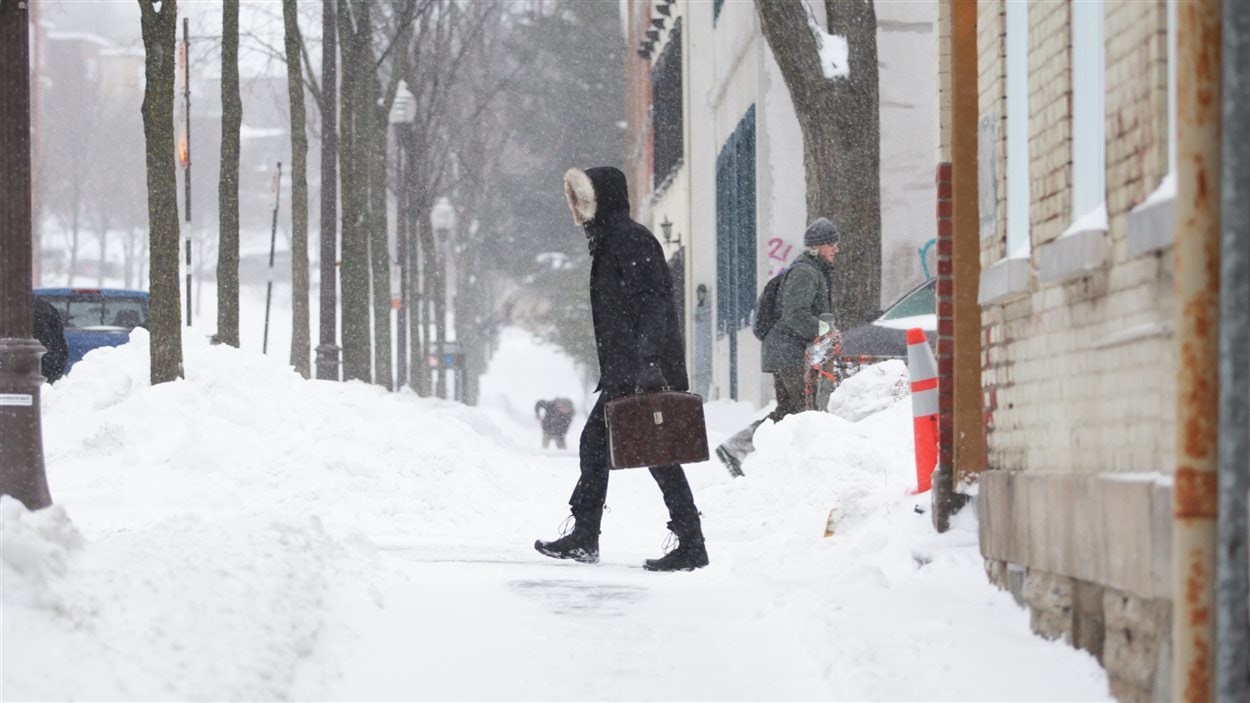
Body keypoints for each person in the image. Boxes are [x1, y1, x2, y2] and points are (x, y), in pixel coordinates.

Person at [534, 165, 708, 572]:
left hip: (640, 369)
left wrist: (648, 363)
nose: (579, 210)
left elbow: (652, 307)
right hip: (625, 368)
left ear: (602, 199)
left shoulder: (630, 241)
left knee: (654, 452)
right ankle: (590, 536)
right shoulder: (611, 241)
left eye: (584, 200)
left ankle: (686, 541)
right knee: (618, 449)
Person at [715, 217, 840, 476]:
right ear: (818, 247)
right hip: (787, 352)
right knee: (805, 411)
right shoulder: (806, 272)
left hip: (784, 350)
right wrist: (824, 329)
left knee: (788, 412)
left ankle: (736, 448)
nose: (836, 249)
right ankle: (803, 467)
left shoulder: (811, 270)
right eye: (832, 244)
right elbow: (795, 314)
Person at [32, 296, 68, 383]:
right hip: (48, 364)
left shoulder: (9, 307)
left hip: (21, 369)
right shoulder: (46, 308)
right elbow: (61, 342)